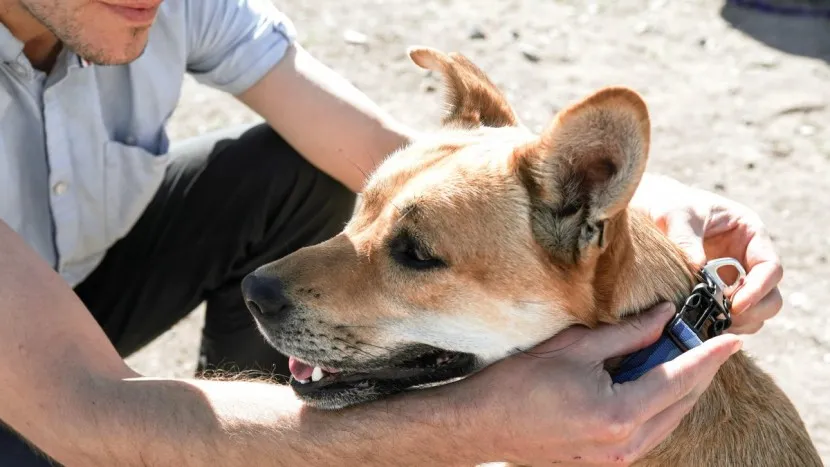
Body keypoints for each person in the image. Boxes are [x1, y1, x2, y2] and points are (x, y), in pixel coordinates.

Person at [0, 0, 783, 465]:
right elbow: (81, 410)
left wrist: (629, 207)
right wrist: (472, 424)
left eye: (410, 257)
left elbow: (399, 160)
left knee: (300, 168)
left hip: (63, 281)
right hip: (47, 388)